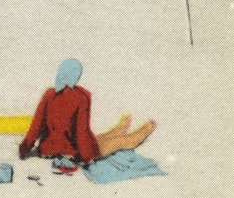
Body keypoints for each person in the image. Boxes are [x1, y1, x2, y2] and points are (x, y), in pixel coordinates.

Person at [19, 59, 156, 168]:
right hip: (73, 153)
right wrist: (87, 157)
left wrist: (24, 149)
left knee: (101, 139)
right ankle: (145, 128)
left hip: (47, 151)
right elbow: (81, 132)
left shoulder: (48, 95)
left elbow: (35, 128)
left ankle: (119, 128)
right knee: (119, 142)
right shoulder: (81, 97)